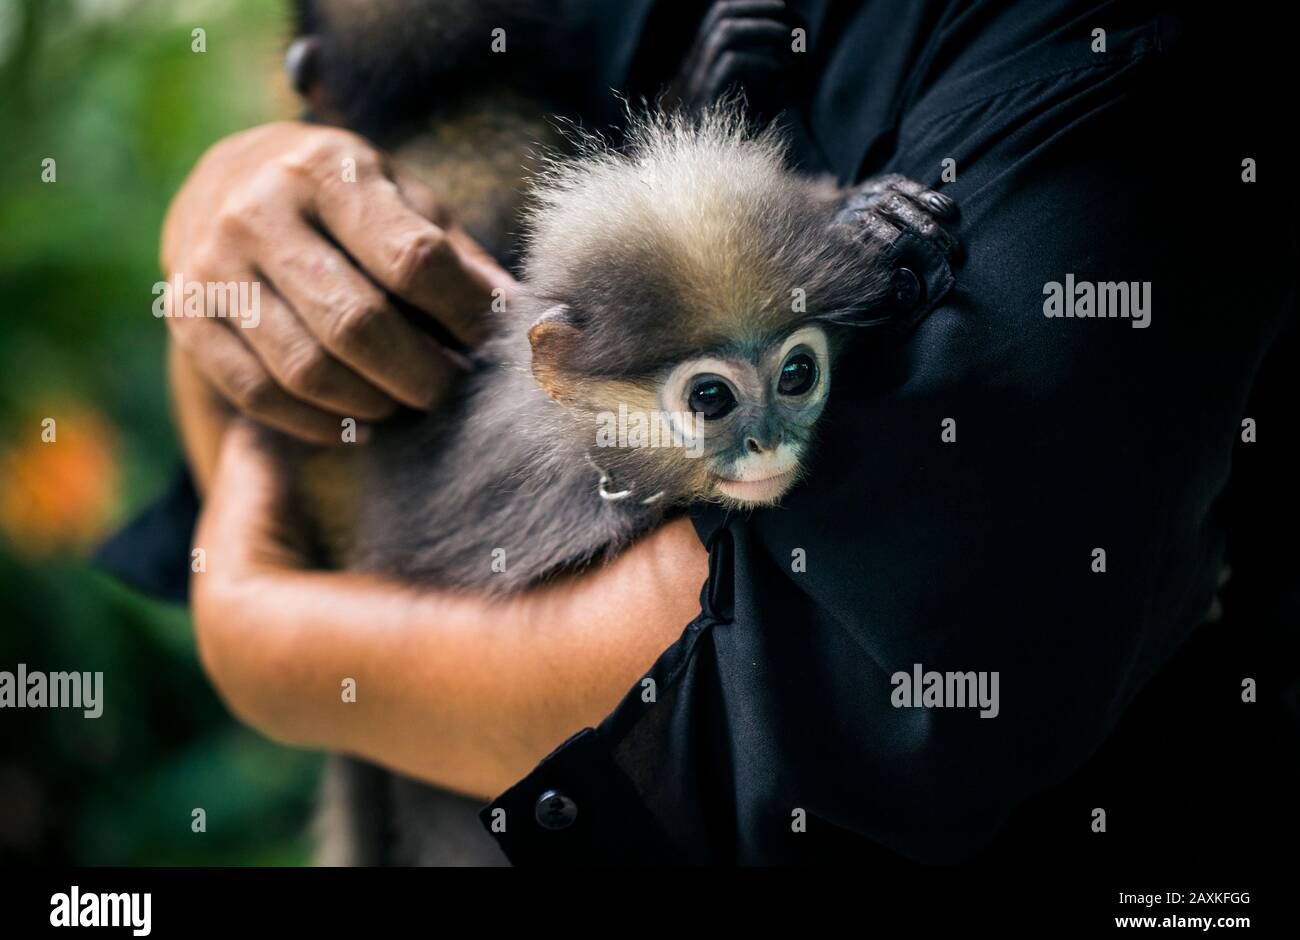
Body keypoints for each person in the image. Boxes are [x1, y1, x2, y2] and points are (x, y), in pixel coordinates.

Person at [102, 0, 1297, 865]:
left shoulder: (1092, 44)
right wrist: (229, 215)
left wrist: (274, 647)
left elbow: (826, 672)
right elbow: (315, 465)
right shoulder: (522, 124)